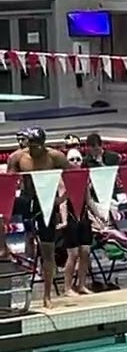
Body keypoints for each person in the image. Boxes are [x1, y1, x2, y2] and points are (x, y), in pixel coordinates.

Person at [5, 128, 70, 307]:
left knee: (47, 251)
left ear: (43, 144)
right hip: (27, 199)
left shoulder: (55, 157)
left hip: (47, 202)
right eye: (30, 145)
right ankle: (3, 249)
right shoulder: (17, 157)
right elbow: (8, 185)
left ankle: (47, 296)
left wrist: (61, 199)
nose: (32, 149)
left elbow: (75, 178)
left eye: (36, 146)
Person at [57, 149, 102, 296]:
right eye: (72, 160)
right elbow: (62, 202)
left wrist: (99, 216)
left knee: (85, 252)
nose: (75, 162)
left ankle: (81, 285)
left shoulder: (84, 176)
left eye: (78, 159)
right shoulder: (63, 178)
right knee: (73, 254)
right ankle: (67, 288)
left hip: (83, 217)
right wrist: (64, 220)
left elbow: (88, 200)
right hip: (71, 218)